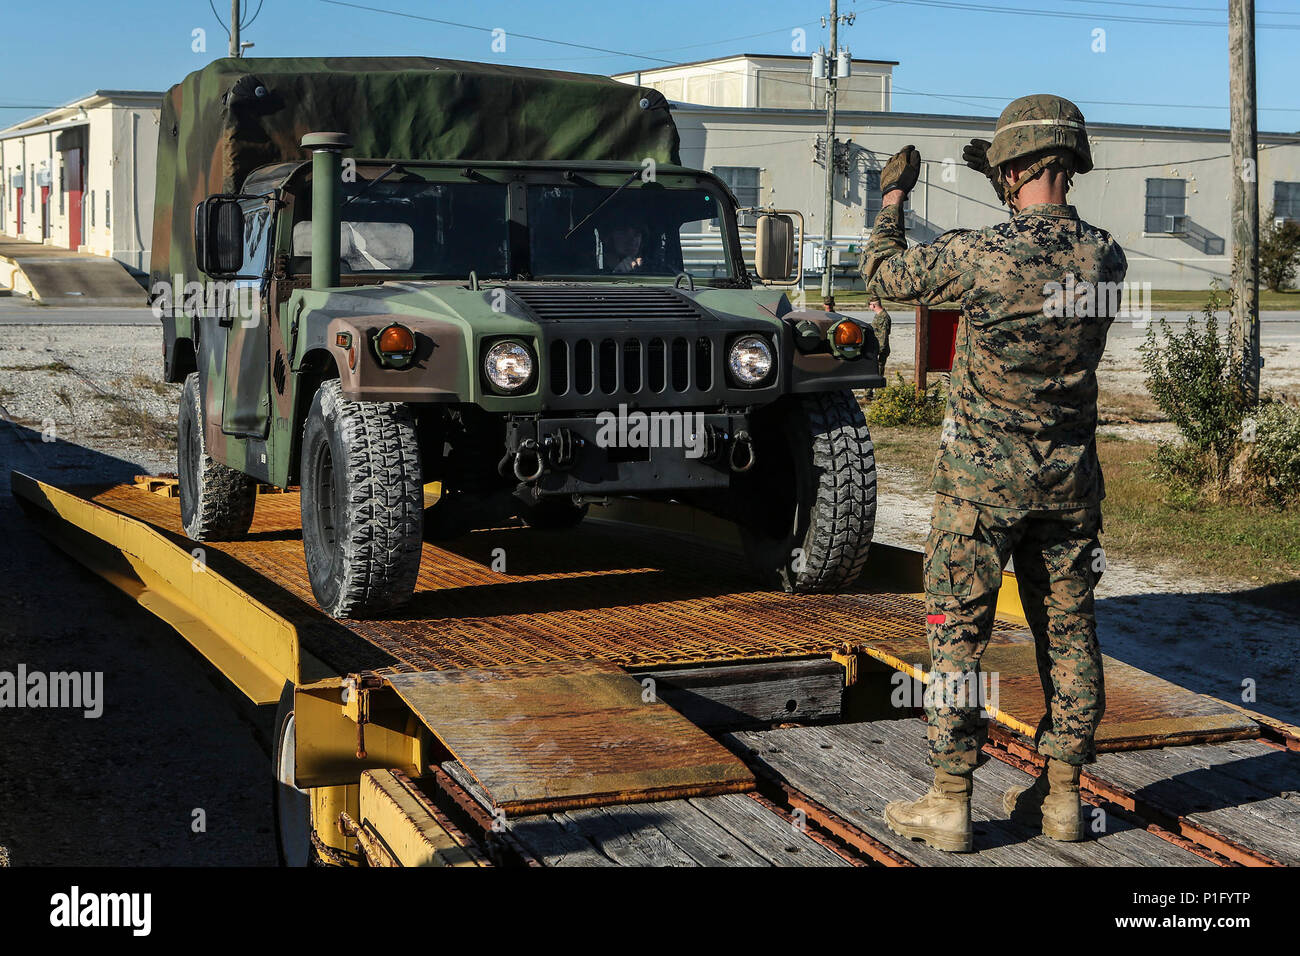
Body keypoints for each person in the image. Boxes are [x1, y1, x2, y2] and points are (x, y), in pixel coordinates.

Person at [858, 95, 1128, 852]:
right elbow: (1048, 258)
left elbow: (880, 271)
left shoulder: (977, 254)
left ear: (1011, 171)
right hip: (1069, 488)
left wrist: (892, 198)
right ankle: (1066, 796)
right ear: (1070, 163)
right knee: (1070, 634)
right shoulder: (1107, 255)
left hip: (980, 492)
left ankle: (950, 801)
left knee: (956, 636)